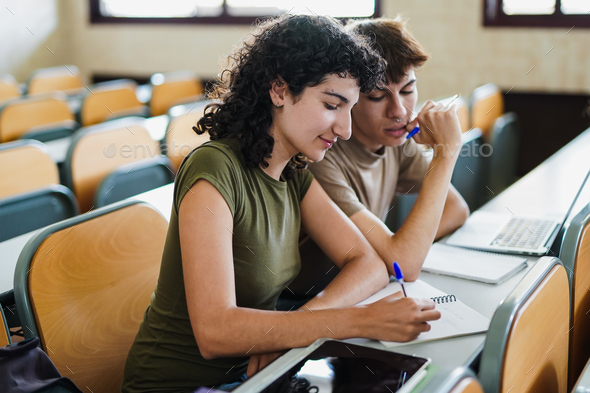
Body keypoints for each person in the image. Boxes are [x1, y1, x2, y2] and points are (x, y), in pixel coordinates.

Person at [121, 14, 441, 392]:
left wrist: (290, 333)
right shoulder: (214, 168)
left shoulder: (294, 173)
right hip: (179, 385)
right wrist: (356, 321)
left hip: (261, 376)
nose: (345, 129)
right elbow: (215, 332)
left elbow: (368, 264)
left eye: (349, 109)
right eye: (332, 105)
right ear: (279, 90)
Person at [286, 17, 470, 303]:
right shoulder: (321, 155)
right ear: (349, 95)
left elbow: (456, 209)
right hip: (305, 303)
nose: (399, 111)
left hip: (363, 291)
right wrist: (445, 154)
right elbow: (404, 265)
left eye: (408, 90)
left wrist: (402, 244)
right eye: (377, 96)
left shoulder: (394, 139)